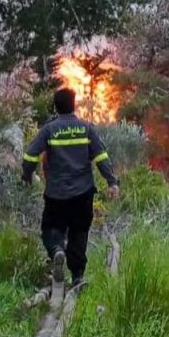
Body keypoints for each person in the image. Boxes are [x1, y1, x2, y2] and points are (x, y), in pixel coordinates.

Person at [22, 87, 120, 287]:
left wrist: (27, 175)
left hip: (56, 194)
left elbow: (30, 154)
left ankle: (57, 249)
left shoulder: (49, 130)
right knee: (79, 233)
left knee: (50, 228)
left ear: (56, 107)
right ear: (73, 105)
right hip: (83, 194)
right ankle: (77, 277)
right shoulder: (86, 128)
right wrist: (112, 182)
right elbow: (102, 157)